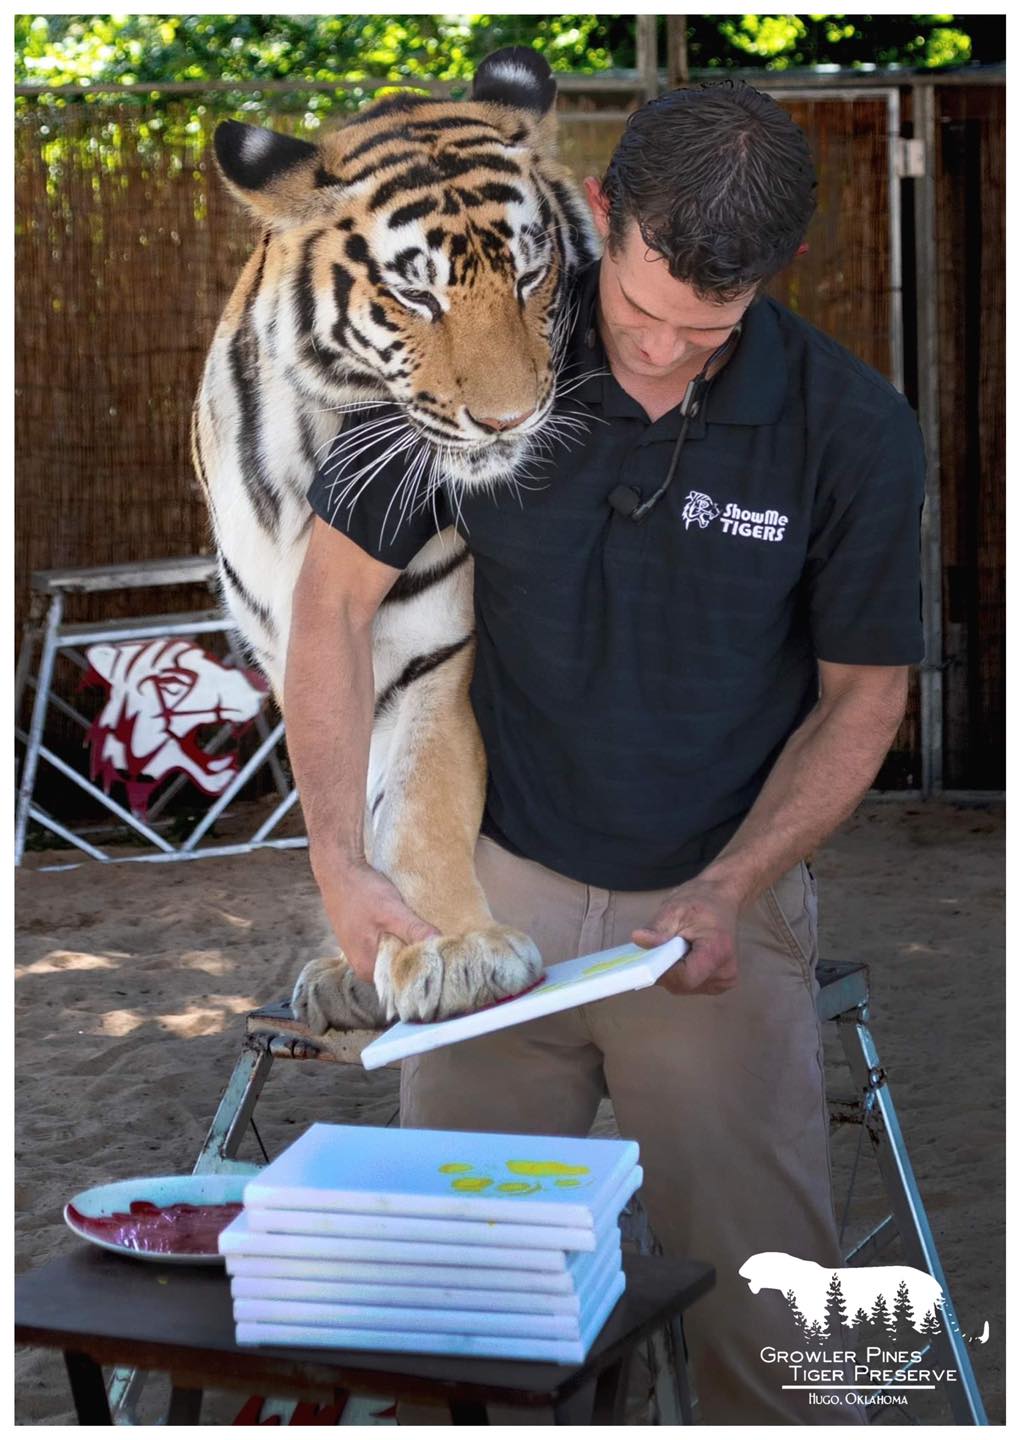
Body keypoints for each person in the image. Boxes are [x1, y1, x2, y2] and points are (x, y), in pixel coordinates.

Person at [285, 81, 924, 1425]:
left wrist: (738, 887)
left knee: (775, 1340)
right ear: (593, 217)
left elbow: (865, 700)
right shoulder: (483, 355)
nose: (658, 353)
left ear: (775, 277)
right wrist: (341, 863)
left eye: (708, 331)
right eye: (637, 313)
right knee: (453, 1332)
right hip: (495, 895)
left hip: (710, 917)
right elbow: (333, 604)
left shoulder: (852, 429)